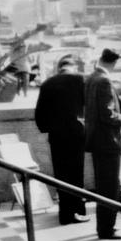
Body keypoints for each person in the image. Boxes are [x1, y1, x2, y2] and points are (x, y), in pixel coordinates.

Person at [34, 55, 89, 225]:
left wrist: (47, 128)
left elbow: (39, 114)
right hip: (76, 133)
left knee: (61, 174)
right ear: (73, 67)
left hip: (57, 136)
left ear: (59, 68)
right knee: (76, 174)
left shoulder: (47, 84)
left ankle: (65, 214)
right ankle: (78, 210)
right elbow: (87, 107)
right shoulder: (80, 81)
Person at [84, 47, 121, 240]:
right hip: (108, 141)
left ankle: (104, 227)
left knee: (104, 185)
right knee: (110, 187)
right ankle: (107, 228)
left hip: (97, 141)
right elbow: (108, 115)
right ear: (114, 63)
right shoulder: (105, 80)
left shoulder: (92, 77)